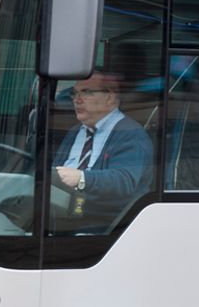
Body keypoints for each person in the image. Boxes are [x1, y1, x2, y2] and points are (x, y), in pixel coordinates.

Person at [54, 70, 153, 223]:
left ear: (110, 97)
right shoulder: (75, 132)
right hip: (62, 213)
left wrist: (81, 178)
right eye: (74, 94)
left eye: (86, 93)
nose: (77, 100)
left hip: (104, 226)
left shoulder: (130, 134)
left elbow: (124, 182)